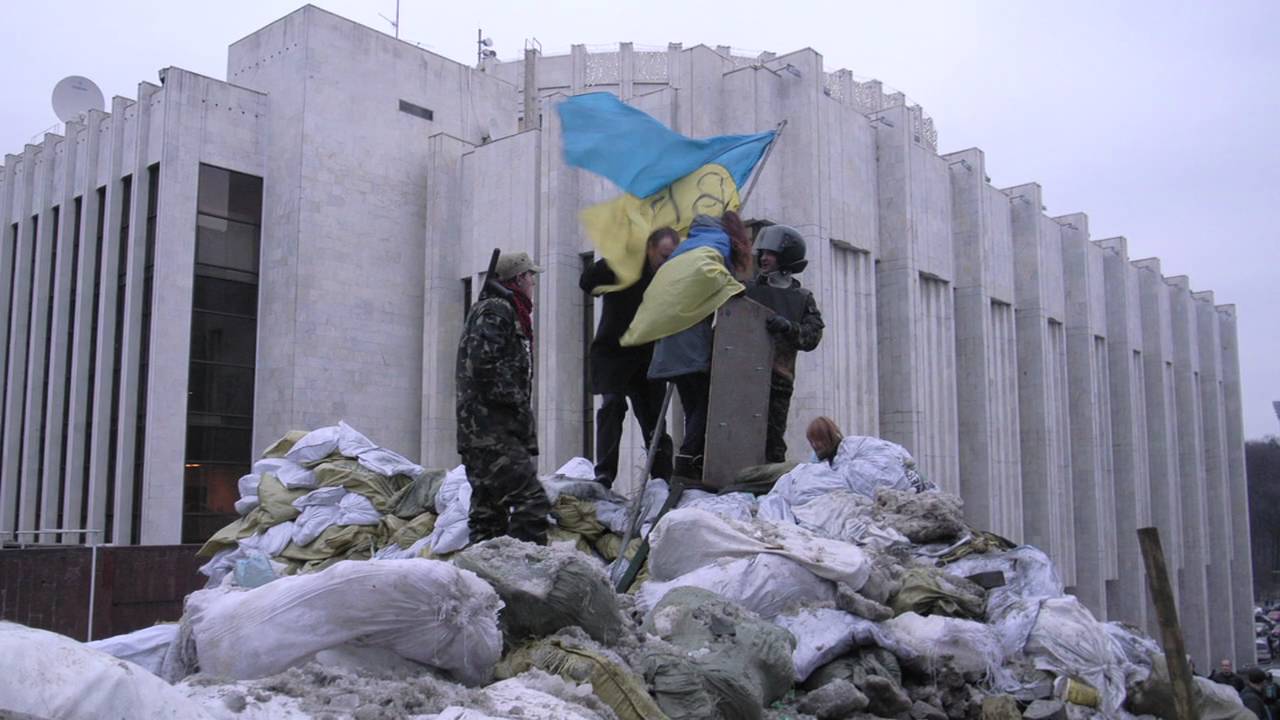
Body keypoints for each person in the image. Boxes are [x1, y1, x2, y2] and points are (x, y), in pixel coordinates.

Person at [648, 212, 752, 482]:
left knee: (692, 403)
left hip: (668, 340)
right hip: (689, 339)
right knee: (705, 404)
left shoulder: (683, 251)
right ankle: (686, 458)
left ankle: (691, 459)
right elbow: (721, 284)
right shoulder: (715, 248)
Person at [456, 251, 551, 544]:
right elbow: (482, 366)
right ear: (520, 278)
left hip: (489, 431)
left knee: (488, 516)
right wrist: (517, 404)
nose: (534, 283)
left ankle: (482, 584)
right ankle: (525, 577)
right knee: (531, 502)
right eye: (531, 277)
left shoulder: (506, 310)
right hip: (492, 432)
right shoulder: (497, 310)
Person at [579, 228, 678, 488]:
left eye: (671, 258)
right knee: (612, 406)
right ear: (650, 249)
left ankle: (662, 479)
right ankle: (604, 475)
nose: (665, 263)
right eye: (663, 256)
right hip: (614, 354)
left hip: (648, 358)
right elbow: (588, 282)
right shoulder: (626, 266)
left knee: (654, 422)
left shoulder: (669, 277)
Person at [745, 224, 824, 463]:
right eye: (763, 253)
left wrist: (789, 327)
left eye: (771, 254)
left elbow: (813, 336)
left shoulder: (801, 298)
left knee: (772, 444)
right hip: (742, 377)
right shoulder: (748, 289)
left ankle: (769, 492)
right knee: (736, 436)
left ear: (786, 258)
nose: (764, 258)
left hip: (777, 380)